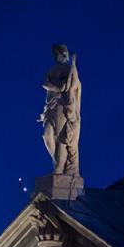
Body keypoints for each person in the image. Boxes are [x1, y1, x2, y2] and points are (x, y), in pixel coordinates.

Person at [40, 45, 82, 177]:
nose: (56, 56)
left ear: (63, 55)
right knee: (47, 136)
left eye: (58, 54)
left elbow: (73, 85)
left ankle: (59, 167)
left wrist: (73, 68)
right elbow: (44, 83)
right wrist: (58, 89)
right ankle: (57, 161)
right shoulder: (51, 70)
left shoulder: (69, 69)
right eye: (55, 54)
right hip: (51, 107)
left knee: (61, 138)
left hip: (62, 108)